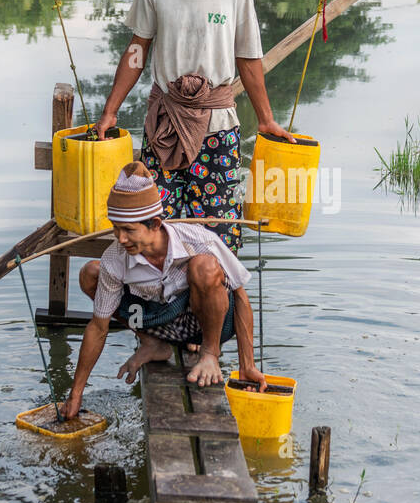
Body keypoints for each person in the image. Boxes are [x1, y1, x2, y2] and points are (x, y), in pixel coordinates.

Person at [92, 0, 296, 256]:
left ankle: (217, 304)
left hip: (217, 128)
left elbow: (248, 60)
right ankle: (162, 307)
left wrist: (266, 120)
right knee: (156, 227)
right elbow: (137, 52)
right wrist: (110, 110)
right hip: (163, 127)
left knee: (217, 232)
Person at [60, 162, 267, 419]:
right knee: (91, 273)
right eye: (116, 228)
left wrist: (247, 366)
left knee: (204, 267)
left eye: (129, 230)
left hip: (206, 325)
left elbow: (240, 297)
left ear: (156, 224)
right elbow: (98, 327)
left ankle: (210, 354)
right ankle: (152, 343)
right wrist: (76, 393)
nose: (120, 238)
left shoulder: (198, 240)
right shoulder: (116, 257)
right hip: (155, 321)